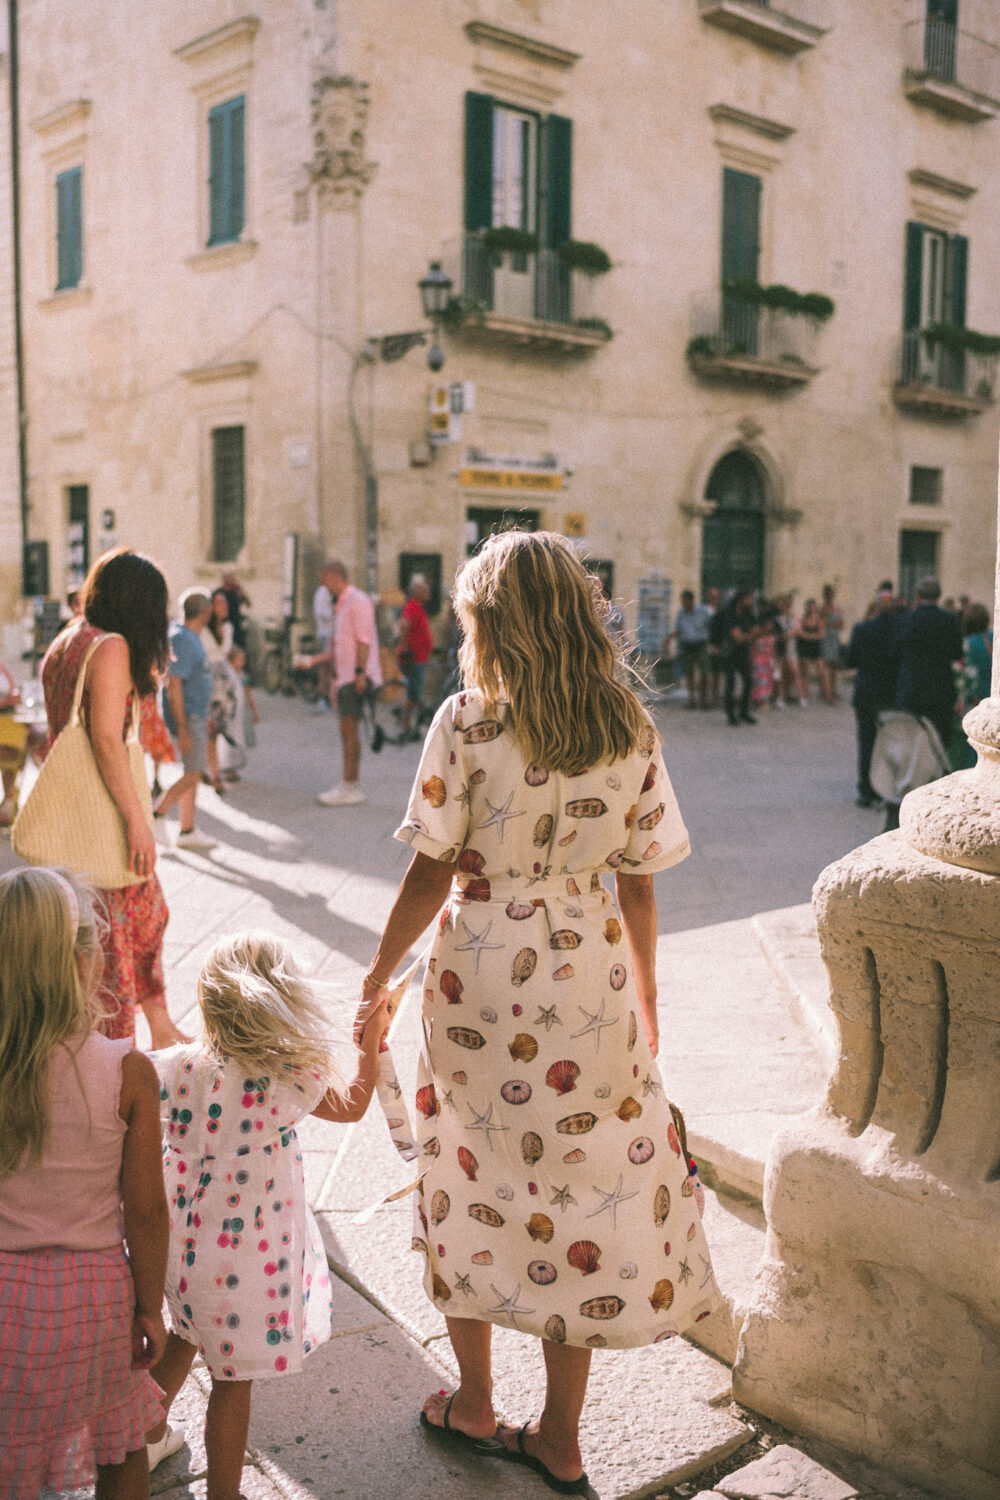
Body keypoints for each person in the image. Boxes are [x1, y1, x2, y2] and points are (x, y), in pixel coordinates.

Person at [357, 531, 718, 1493]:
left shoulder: (469, 723)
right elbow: (640, 886)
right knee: (580, 1185)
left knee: (462, 1167)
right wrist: (643, 1006)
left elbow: (431, 864)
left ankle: (473, 1401)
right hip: (590, 983)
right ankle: (560, 1435)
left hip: (479, 973)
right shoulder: (629, 729)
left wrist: (377, 977)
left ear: (493, 624)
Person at [147, 932, 390, 1498]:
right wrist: (373, 1034)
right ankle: (225, 1494)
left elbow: (122, 1089)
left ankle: (144, 1432)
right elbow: (352, 1104)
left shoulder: (179, 1066)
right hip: (244, 1265)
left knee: (183, 1336)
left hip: (179, 1251)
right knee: (232, 1384)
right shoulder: (285, 1076)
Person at [0, 866, 169, 1499]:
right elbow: (148, 1212)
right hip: (96, 1299)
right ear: (85, 959)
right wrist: (150, 1307)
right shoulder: (126, 1072)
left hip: (6, 1295)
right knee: (119, 1444)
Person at [41, 547, 184, 1045]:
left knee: (129, 924)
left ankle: (158, 1027)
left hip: (78, 816)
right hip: (105, 817)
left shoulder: (67, 641)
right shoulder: (111, 647)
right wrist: (136, 820)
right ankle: (119, 1054)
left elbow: (57, 735)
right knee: (121, 936)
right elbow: (104, 738)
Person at [305, 561, 383, 807]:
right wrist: (319, 664)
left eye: (325, 580)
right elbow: (341, 646)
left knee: (350, 731)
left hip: (355, 676)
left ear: (336, 577)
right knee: (346, 730)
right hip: (346, 677)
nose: (323, 586)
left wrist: (360, 673)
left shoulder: (357, 601)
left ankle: (351, 785)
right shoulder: (342, 604)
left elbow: (363, 640)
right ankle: (348, 782)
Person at [153, 589, 216, 851]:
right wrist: (183, 728)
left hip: (195, 714)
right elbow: (174, 685)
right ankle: (157, 813)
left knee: (191, 771)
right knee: (194, 773)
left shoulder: (185, 636)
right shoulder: (183, 639)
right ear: (206, 612)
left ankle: (187, 829)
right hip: (188, 717)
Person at [893, 576, 964, 751]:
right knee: (939, 743)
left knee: (912, 741)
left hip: (912, 687)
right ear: (939, 595)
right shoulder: (950, 619)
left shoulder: (905, 619)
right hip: (941, 688)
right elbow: (957, 653)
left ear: (917, 594)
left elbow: (895, 653)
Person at [846, 586, 898, 807]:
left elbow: (849, 661)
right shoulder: (901, 629)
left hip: (866, 692)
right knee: (888, 744)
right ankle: (885, 787)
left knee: (866, 744)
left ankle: (866, 789)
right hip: (891, 694)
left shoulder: (862, 629)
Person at [203, 588, 239, 793]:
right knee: (210, 731)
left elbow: (224, 653)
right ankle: (215, 775)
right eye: (219, 603)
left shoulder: (228, 627)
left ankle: (221, 767)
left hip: (223, 684)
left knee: (220, 729)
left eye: (225, 603)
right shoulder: (202, 630)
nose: (224, 607)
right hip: (207, 681)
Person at [712, 588, 757, 726]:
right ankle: (731, 715)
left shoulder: (748, 614)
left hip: (742, 652)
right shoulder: (729, 614)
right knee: (730, 683)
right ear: (740, 600)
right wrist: (750, 635)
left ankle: (743, 711)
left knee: (748, 681)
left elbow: (756, 629)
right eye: (748, 599)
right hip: (729, 652)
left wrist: (749, 635)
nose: (751, 602)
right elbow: (737, 637)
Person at [397, 574, 434, 737]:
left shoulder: (418, 607)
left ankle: (414, 725)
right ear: (416, 592)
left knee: (414, 694)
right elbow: (404, 626)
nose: (428, 593)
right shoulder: (412, 607)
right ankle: (407, 726)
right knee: (413, 695)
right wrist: (405, 648)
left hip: (420, 657)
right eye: (424, 590)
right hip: (413, 658)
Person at [670, 590, 712, 709]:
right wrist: (670, 638)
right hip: (687, 646)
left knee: (704, 672)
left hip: (701, 645)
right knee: (689, 673)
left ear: (691, 600)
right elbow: (678, 629)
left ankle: (703, 700)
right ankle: (691, 699)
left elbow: (711, 626)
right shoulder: (682, 614)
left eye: (685, 601)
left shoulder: (703, 611)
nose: (684, 604)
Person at [312, 563, 338, 712]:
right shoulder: (322, 592)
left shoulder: (330, 592)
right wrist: (335, 613)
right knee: (326, 666)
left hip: (333, 633)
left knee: (332, 667)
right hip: (326, 632)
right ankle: (322, 696)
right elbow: (321, 612)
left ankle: (330, 696)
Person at [797, 598, 832, 705]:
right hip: (805, 648)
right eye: (809, 606)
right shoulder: (803, 619)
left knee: (822, 672)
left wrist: (807, 636)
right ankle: (806, 694)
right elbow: (800, 633)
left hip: (816, 649)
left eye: (813, 606)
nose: (811, 608)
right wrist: (812, 636)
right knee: (805, 672)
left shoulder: (819, 619)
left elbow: (821, 635)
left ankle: (828, 695)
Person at [820, 584, 844, 701]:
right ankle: (825, 690)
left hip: (834, 637)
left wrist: (831, 624)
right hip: (825, 637)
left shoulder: (838, 609)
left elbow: (841, 625)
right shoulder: (822, 609)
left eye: (831, 595)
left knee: (834, 665)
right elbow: (821, 623)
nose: (829, 597)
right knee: (825, 664)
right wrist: (831, 623)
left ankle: (833, 689)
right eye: (827, 595)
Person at [219, 572, 251, 654]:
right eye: (231, 579)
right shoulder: (219, 593)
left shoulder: (236, 591)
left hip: (237, 625)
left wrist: (241, 591)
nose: (234, 581)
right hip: (225, 624)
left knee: (239, 648)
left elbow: (248, 604)